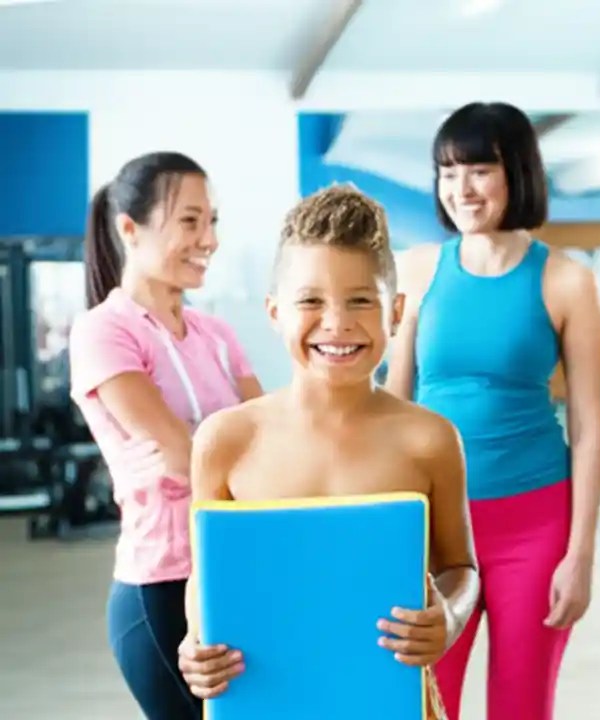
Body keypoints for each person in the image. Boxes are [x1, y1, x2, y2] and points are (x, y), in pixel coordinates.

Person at [173, 185, 481, 720]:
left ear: (395, 311)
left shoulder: (429, 439)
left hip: (393, 702)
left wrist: (450, 618)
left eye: (361, 300)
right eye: (310, 300)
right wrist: (195, 642)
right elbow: (208, 575)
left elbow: (461, 567)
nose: (336, 323)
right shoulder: (227, 441)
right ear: (274, 312)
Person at [383, 101, 600, 720]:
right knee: (424, 703)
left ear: (518, 173)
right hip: (434, 525)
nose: (461, 189)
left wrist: (580, 553)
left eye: (479, 169)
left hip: (534, 524)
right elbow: (394, 404)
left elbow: (588, 427)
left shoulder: (566, 280)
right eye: (447, 172)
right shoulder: (420, 269)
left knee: (520, 708)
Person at [66, 151, 263, 720]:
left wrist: (209, 450)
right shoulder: (104, 331)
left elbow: (271, 439)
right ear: (130, 229)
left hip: (235, 568)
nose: (209, 239)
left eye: (213, 221)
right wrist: (218, 451)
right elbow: (184, 460)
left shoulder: (216, 333)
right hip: (161, 584)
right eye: (190, 221)